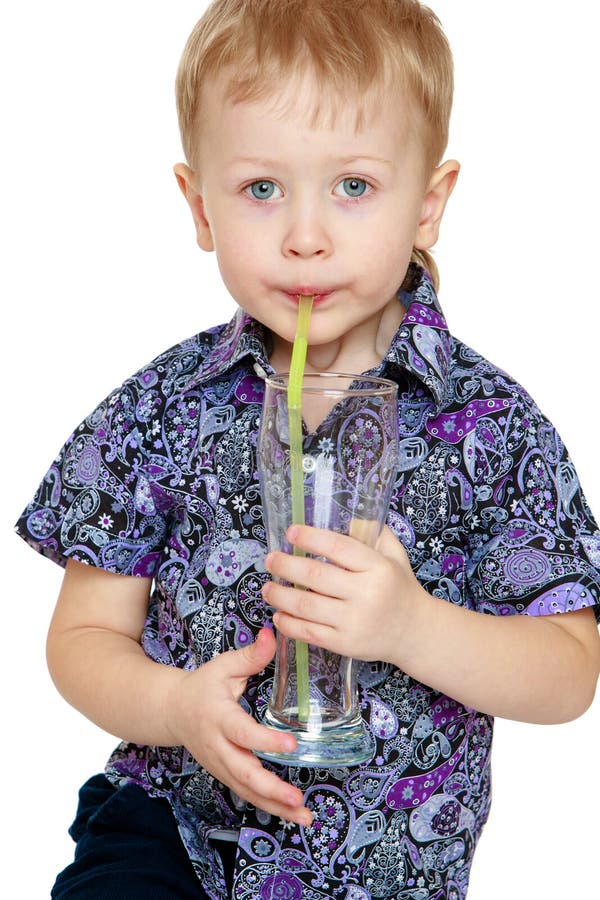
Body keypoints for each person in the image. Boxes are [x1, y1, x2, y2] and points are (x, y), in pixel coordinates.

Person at [15, 0, 600, 897]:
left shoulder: (494, 426)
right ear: (198, 204)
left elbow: (569, 673)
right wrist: (174, 707)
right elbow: (84, 636)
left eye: (354, 187)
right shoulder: (160, 409)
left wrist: (411, 626)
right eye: (261, 189)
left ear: (428, 204)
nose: (305, 234)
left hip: (387, 872)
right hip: (174, 832)